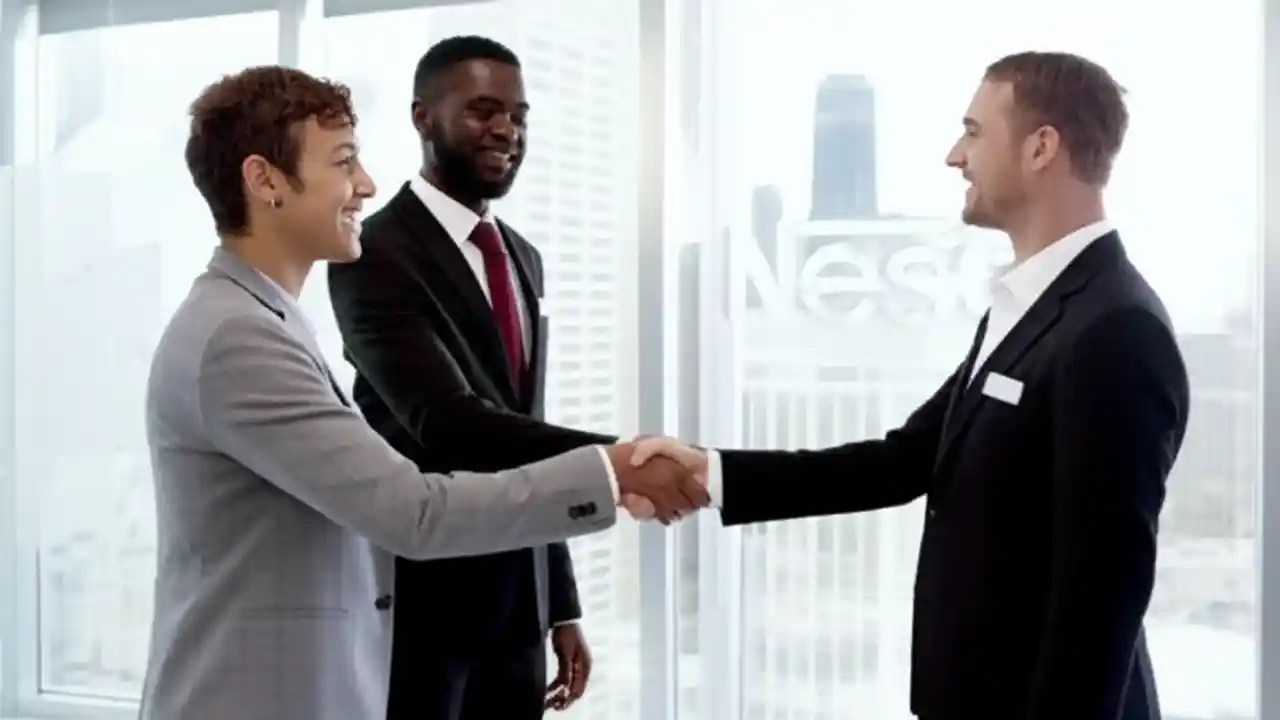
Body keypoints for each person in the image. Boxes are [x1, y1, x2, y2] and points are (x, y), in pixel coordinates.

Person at [633, 51, 1189, 720]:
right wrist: (712, 474)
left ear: (1042, 147)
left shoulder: (1115, 328)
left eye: (975, 131)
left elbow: (1102, 594)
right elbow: (903, 460)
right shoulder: (1029, 308)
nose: (956, 155)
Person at [140, 65, 707, 720]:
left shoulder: (262, 323)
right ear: (264, 179)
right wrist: (611, 472)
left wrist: (556, 596)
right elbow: (413, 511)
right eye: (344, 162)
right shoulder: (239, 341)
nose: (366, 185)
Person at [327, 35, 661, 719]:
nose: (507, 130)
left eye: (519, 115)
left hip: (519, 612)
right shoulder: (372, 253)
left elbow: (524, 433)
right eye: (483, 111)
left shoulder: (522, 257)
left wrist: (559, 602)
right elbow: (446, 422)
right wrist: (621, 460)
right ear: (423, 116)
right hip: (423, 609)